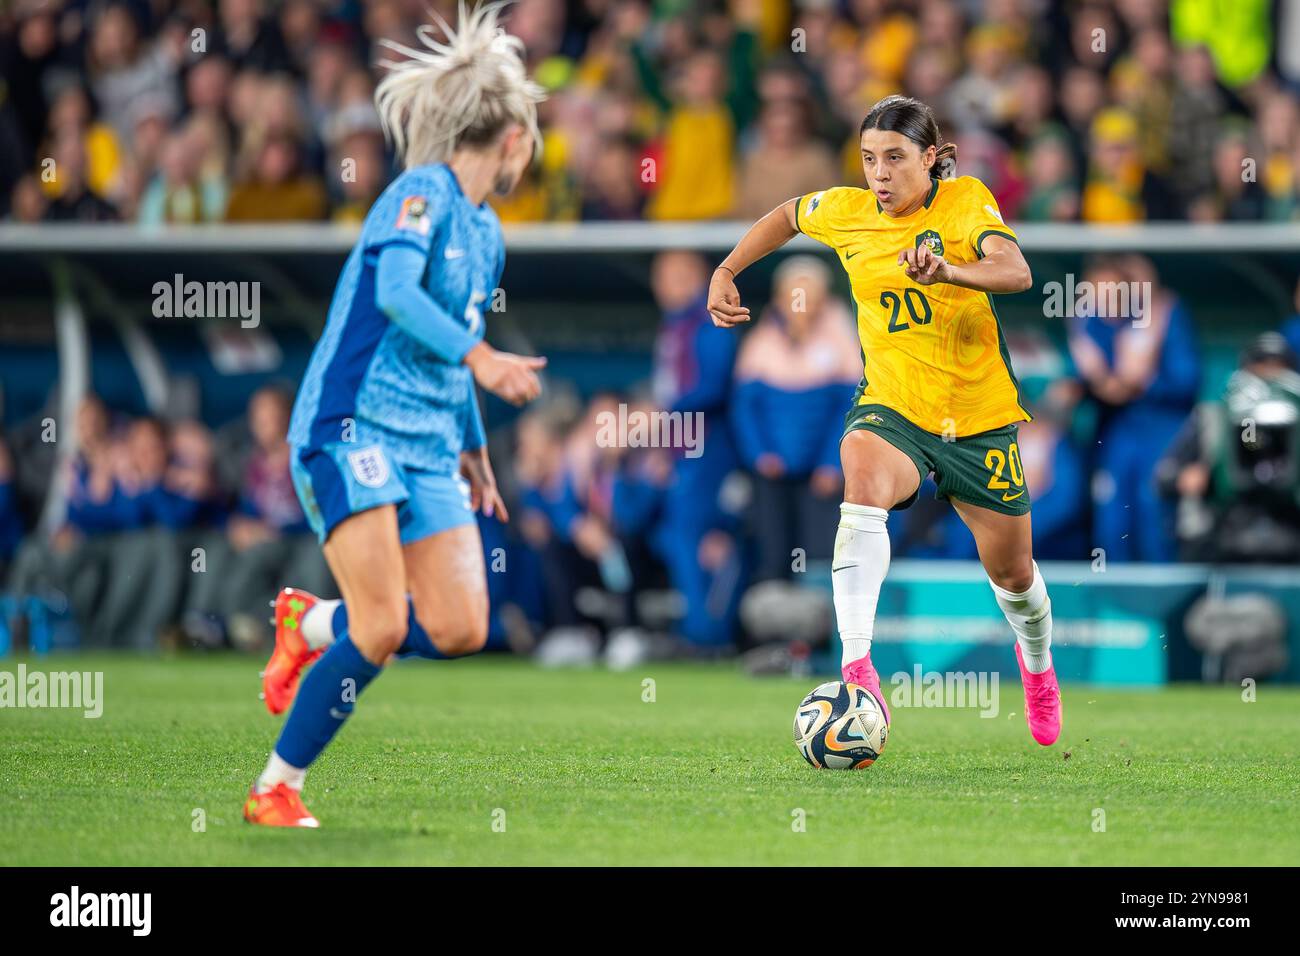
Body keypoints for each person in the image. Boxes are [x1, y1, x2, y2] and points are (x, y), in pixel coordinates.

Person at [243, 1, 548, 828]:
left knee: (458, 628)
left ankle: (311, 621)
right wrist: (482, 360)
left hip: (429, 444)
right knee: (381, 629)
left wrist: (476, 446)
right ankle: (276, 787)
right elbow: (396, 294)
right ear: (513, 140)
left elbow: (458, 341)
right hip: (350, 431)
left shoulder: (487, 235)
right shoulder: (419, 193)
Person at [707, 94, 1062, 747]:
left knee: (1013, 575)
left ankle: (1038, 668)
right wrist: (729, 269)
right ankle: (859, 670)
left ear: (931, 158)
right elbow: (786, 216)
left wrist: (949, 270)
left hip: (976, 417)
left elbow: (1016, 271)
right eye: (870, 158)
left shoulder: (963, 202)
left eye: (895, 158)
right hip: (894, 404)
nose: (880, 173)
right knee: (861, 474)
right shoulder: (846, 211)